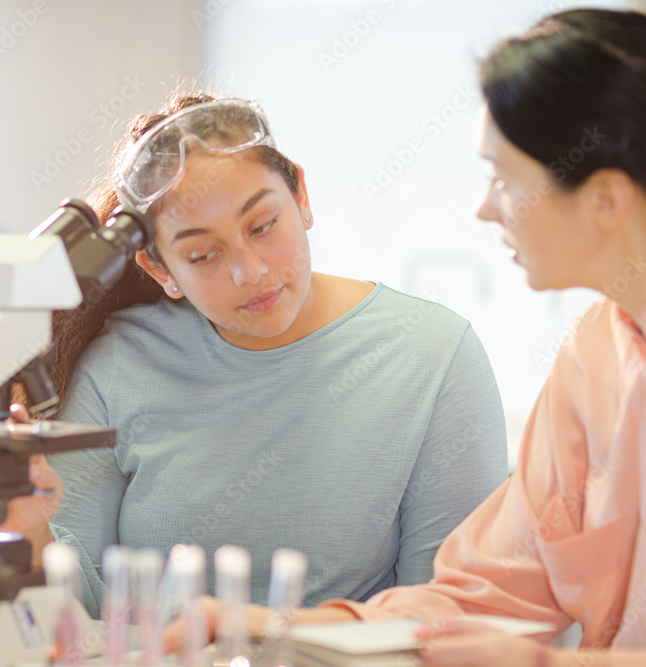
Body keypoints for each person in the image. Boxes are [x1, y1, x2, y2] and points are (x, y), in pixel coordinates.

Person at [173, 8, 646, 666]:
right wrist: (276, 624)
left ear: (605, 198)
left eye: (505, 180)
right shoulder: (599, 353)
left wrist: (545, 663)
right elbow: (481, 596)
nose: (485, 207)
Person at [5, 93, 509, 620]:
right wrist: (31, 525)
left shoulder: (433, 354)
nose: (249, 271)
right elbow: (78, 609)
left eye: (263, 225)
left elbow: (452, 614)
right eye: (203, 255)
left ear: (302, 195)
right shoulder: (120, 365)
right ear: (160, 270)